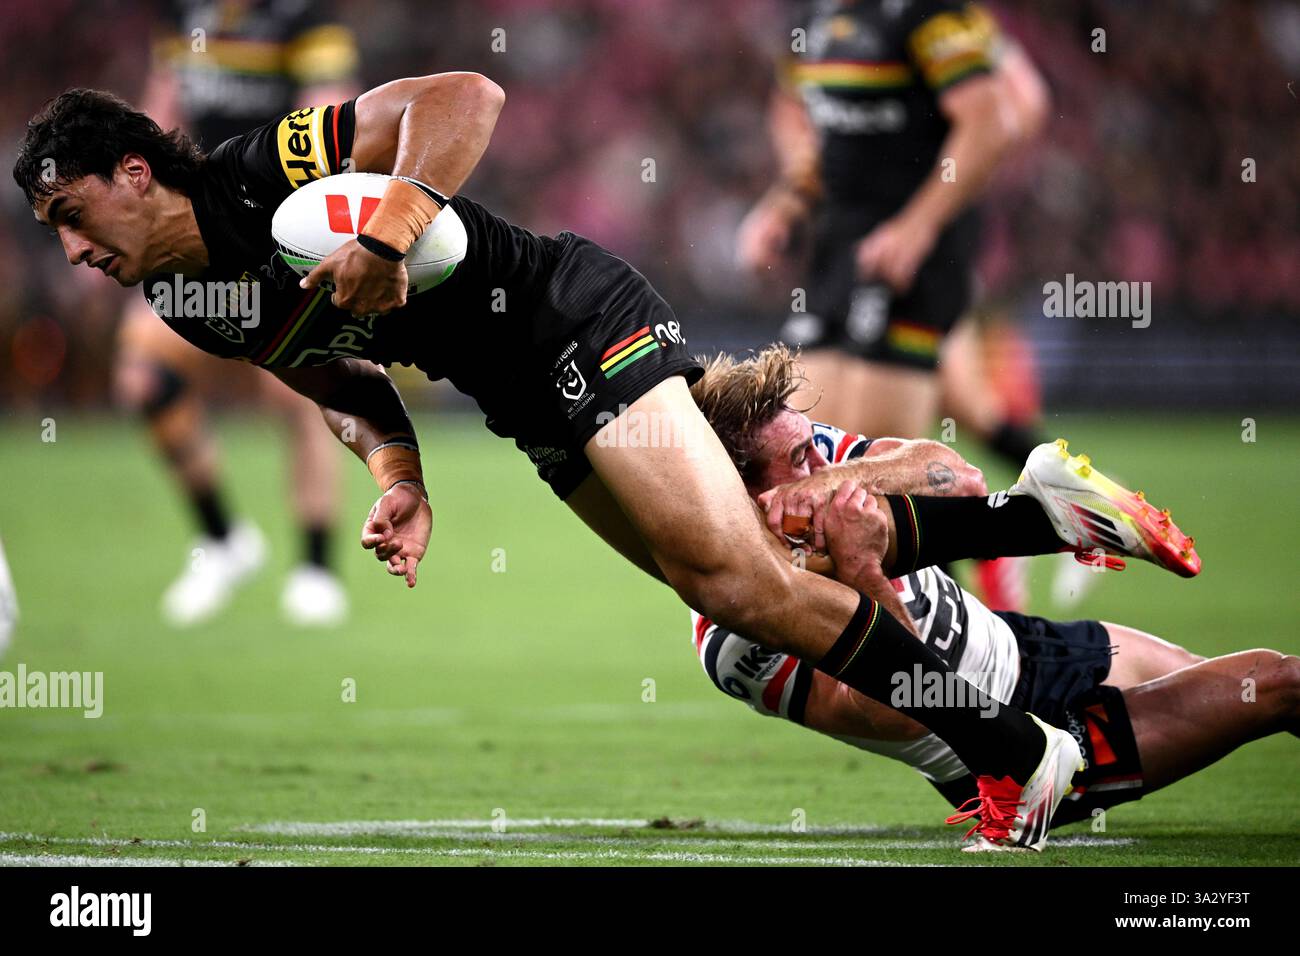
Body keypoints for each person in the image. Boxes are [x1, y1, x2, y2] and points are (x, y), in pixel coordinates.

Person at [19, 75, 1141, 850]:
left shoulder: (256, 173)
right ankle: (1038, 517)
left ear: (131, 169)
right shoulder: (188, 299)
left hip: (571, 316)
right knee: (764, 559)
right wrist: (396, 476)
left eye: (73, 214)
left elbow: (464, 99)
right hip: (525, 397)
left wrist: (390, 230)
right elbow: (338, 381)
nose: (73, 252)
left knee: (732, 586)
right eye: (51, 233)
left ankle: (1012, 752)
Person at [687, 347, 1295, 842]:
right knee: (1276, 685)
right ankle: (1054, 525)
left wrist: (834, 481)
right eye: (800, 458)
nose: (819, 460)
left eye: (815, 444)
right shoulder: (736, 638)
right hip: (1014, 742)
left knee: (1245, 685)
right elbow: (896, 715)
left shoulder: (817, 467)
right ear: (745, 493)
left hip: (1030, 644)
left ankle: (1053, 519)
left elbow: (958, 478)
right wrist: (863, 568)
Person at [737, 1, 1050, 611]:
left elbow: (995, 119)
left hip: (913, 261)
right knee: (808, 455)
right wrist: (787, 203)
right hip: (837, 254)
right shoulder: (813, 20)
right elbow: (811, 130)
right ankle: (967, 607)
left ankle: (987, 643)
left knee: (887, 477)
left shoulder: (931, 13)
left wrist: (918, 225)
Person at [113, 0, 359, 625]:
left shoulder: (303, 18)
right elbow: (157, 114)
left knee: (296, 395)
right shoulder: (180, 15)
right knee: (142, 377)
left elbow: (333, 119)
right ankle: (224, 540)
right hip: (191, 236)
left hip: (275, 233)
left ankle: (315, 567)